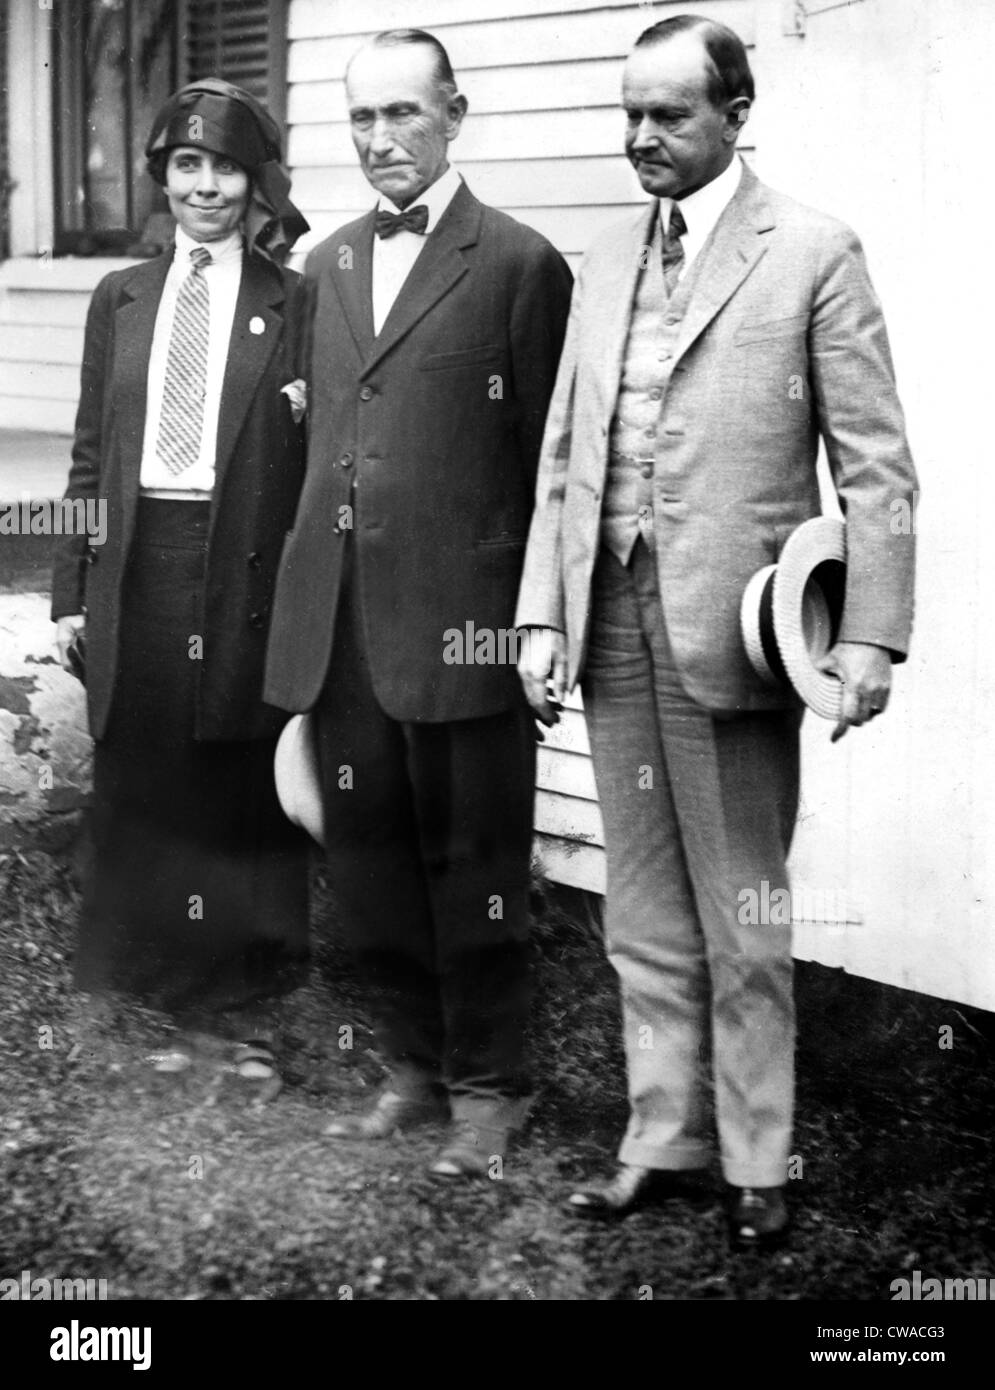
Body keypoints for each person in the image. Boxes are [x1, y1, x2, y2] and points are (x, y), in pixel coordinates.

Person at [516, 16, 917, 1246]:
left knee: (741, 909)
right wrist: (538, 612)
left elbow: (876, 468)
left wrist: (866, 640)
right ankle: (660, 1140)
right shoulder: (600, 258)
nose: (641, 137)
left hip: (734, 632)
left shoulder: (809, 251)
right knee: (637, 910)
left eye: (668, 116)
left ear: (735, 114)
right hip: (612, 623)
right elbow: (563, 453)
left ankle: (756, 1157)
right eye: (628, 113)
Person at [264, 29, 572, 1178]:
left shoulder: (518, 263)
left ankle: (494, 1090)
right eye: (361, 120)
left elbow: (551, 466)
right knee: (372, 864)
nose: (380, 139)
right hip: (342, 630)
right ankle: (413, 1069)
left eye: (402, 113)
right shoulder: (330, 266)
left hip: (466, 628)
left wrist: (537, 624)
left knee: (476, 868)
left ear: (453, 112)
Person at [51, 78, 311, 1081]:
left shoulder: (293, 301)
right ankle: (124, 994)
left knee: (222, 785)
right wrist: (69, 586)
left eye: (226, 167)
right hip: (135, 565)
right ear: (163, 177)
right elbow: (85, 454)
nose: (206, 186)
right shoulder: (118, 297)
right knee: (137, 781)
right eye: (187, 165)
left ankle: (217, 1008)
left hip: (234, 559)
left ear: (255, 182)